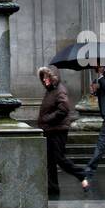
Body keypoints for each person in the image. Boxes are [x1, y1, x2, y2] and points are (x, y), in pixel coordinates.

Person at [36, 67, 83, 197]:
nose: (45, 80)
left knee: (59, 159)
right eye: (43, 77)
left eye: (47, 77)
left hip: (58, 130)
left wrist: (47, 119)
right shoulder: (50, 90)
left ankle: (81, 173)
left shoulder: (59, 90)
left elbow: (64, 109)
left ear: (53, 77)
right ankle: (52, 187)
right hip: (50, 130)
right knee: (50, 160)